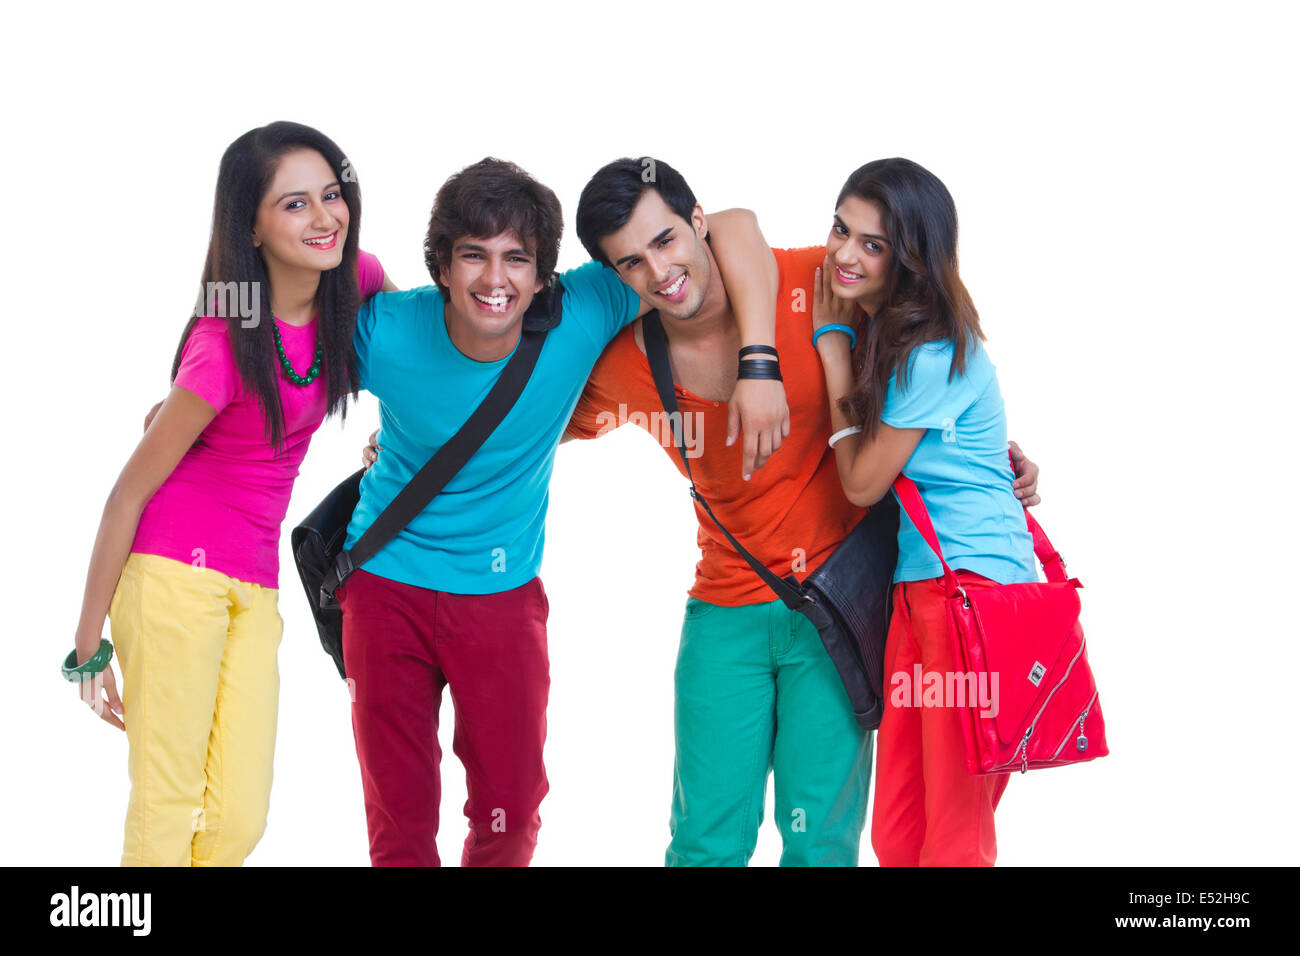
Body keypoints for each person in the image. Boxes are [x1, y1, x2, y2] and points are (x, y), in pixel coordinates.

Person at [566, 157, 1040, 865]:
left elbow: (922, 340)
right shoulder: (628, 366)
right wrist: (413, 440)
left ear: (697, 224)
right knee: (704, 841)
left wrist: (984, 457)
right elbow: (524, 424)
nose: (660, 273)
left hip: (841, 613)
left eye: (666, 241)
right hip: (725, 612)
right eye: (630, 263)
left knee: (821, 840)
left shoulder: (815, 285)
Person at [339, 157, 786, 867]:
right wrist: (188, 402)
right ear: (440, 267)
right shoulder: (387, 331)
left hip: (500, 596)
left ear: (546, 274)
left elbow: (726, 226)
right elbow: (282, 340)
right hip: (383, 585)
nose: (496, 280)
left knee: (511, 817)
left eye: (518, 258)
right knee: (401, 822)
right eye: (473, 256)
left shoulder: (585, 308)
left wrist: (761, 362)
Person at [66, 121, 393, 866]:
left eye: (332, 196)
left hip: (254, 583)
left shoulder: (358, 278)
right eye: (295, 205)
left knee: (240, 820)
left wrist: (399, 433)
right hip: (170, 576)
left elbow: (410, 362)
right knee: (167, 806)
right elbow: (125, 494)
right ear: (251, 224)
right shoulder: (223, 341)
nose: (324, 219)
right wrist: (89, 643)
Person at [810, 157, 1037, 866]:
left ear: (909, 259)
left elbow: (861, 482)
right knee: (900, 831)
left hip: (975, 593)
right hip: (921, 592)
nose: (845, 254)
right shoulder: (901, 341)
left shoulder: (930, 349)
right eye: (841, 229)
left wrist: (830, 342)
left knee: (954, 830)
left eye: (872, 244)